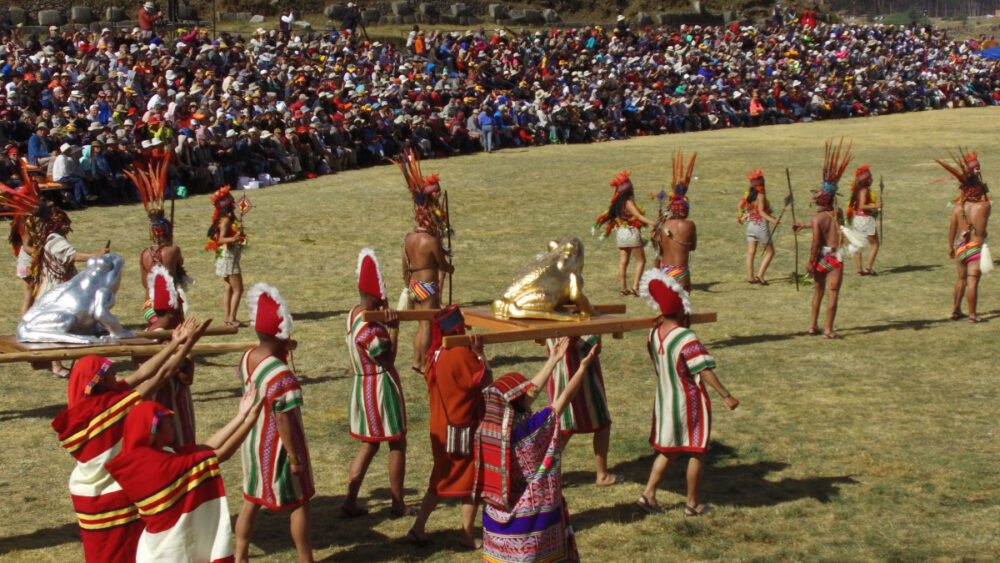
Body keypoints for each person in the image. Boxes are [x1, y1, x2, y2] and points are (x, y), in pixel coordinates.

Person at [50, 317, 211, 563]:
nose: (115, 373)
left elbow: (145, 372)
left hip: (86, 491)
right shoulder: (111, 411)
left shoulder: (94, 408)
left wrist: (175, 342)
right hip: (110, 493)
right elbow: (160, 376)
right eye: (108, 372)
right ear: (98, 382)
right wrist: (186, 344)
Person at [105, 388, 264, 562]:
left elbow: (207, 447)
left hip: (153, 550)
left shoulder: (152, 455)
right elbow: (223, 454)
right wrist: (252, 420)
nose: (173, 423)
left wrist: (240, 416)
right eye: (168, 421)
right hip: (174, 552)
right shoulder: (164, 466)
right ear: (154, 431)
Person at [475, 337, 597, 562]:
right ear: (519, 404)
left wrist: (553, 360)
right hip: (528, 520)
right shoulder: (529, 431)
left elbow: (528, 393)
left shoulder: (487, 430)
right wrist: (582, 368)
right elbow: (563, 399)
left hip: (498, 519)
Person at [636, 269, 739, 516]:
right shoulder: (686, 337)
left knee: (668, 450)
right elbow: (703, 369)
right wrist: (726, 395)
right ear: (681, 308)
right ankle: (693, 503)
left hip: (664, 398)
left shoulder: (653, 334)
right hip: (688, 400)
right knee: (696, 450)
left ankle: (648, 494)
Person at [235, 283, 315, 562]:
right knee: (299, 503)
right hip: (278, 448)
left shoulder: (247, 358)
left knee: (251, 501)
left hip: (251, 442)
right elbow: (283, 419)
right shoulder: (282, 376)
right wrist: (294, 457)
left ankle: (240, 555)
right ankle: (306, 558)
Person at [408, 306, 492, 549]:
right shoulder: (460, 355)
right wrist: (479, 355)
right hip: (460, 427)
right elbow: (485, 379)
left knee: (440, 479)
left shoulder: (436, 353)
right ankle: (466, 535)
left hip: (441, 426)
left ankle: (418, 527)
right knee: (472, 481)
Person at [343, 248, 410, 517]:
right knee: (397, 442)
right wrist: (394, 330)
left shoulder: (354, 314)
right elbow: (388, 358)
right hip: (380, 386)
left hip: (362, 385)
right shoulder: (372, 327)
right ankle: (397, 502)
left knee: (369, 444)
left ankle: (349, 500)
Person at [395, 149, 454, 374]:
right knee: (427, 324)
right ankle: (422, 362)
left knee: (421, 325)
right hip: (428, 286)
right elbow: (442, 264)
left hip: (414, 285)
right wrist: (450, 268)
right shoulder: (431, 240)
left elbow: (404, 262)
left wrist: (406, 283)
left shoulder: (409, 238)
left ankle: (417, 360)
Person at [37, 207, 110, 377]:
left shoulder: (50, 238)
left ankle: (81, 362)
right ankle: (57, 366)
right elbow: (73, 256)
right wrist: (98, 254)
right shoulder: (54, 240)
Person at [544, 334, 623, 487]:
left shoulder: (556, 316)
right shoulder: (571, 320)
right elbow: (592, 347)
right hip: (577, 376)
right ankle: (602, 474)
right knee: (594, 423)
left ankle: (545, 476)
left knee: (565, 427)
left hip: (563, 373)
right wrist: (597, 328)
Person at [794, 140, 852, 338]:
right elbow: (835, 227)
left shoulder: (817, 218)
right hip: (836, 256)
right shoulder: (838, 213)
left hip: (821, 257)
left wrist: (811, 263)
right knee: (833, 293)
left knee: (818, 292)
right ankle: (828, 330)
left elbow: (816, 242)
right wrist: (804, 226)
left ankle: (813, 326)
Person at [132, 160, 188, 330]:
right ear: (168, 232)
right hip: (168, 305)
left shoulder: (144, 254)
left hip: (149, 305)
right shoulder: (173, 250)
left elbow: (145, 283)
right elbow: (179, 268)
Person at [938, 150, 992, 322]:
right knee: (972, 281)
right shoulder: (984, 206)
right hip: (975, 248)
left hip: (960, 247)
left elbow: (952, 229)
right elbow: (982, 230)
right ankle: (973, 315)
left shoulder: (957, 207)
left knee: (961, 279)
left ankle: (955, 310)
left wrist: (949, 247)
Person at [594, 170, 655, 295]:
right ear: (629, 189)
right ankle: (635, 287)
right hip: (631, 233)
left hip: (621, 233)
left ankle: (623, 289)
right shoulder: (628, 202)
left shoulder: (617, 202)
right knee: (641, 261)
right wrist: (654, 223)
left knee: (623, 262)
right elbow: (638, 216)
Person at [652, 151, 698, 291]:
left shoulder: (662, 224)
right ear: (685, 209)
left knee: (668, 307)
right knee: (683, 307)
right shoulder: (689, 225)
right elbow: (692, 247)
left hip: (665, 270)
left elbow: (657, 248)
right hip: (680, 271)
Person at [205, 185, 244, 327]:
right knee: (238, 289)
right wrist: (234, 239)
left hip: (227, 256)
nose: (235, 205)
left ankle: (228, 317)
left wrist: (238, 230)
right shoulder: (226, 220)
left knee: (228, 287)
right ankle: (231, 318)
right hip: (228, 257)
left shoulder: (226, 219)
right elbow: (220, 240)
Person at [738, 170, 780, 285]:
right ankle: (760, 275)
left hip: (751, 226)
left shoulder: (749, 195)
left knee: (751, 252)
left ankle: (750, 277)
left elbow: (747, 209)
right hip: (760, 226)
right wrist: (773, 220)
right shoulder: (760, 194)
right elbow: (761, 212)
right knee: (770, 252)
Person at [846, 165, 882, 276]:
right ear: (867, 180)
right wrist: (876, 207)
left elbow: (856, 207)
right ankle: (868, 268)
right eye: (870, 178)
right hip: (866, 219)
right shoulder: (864, 190)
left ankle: (859, 270)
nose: (872, 180)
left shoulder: (857, 190)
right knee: (875, 244)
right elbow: (862, 205)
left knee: (858, 244)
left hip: (858, 219)